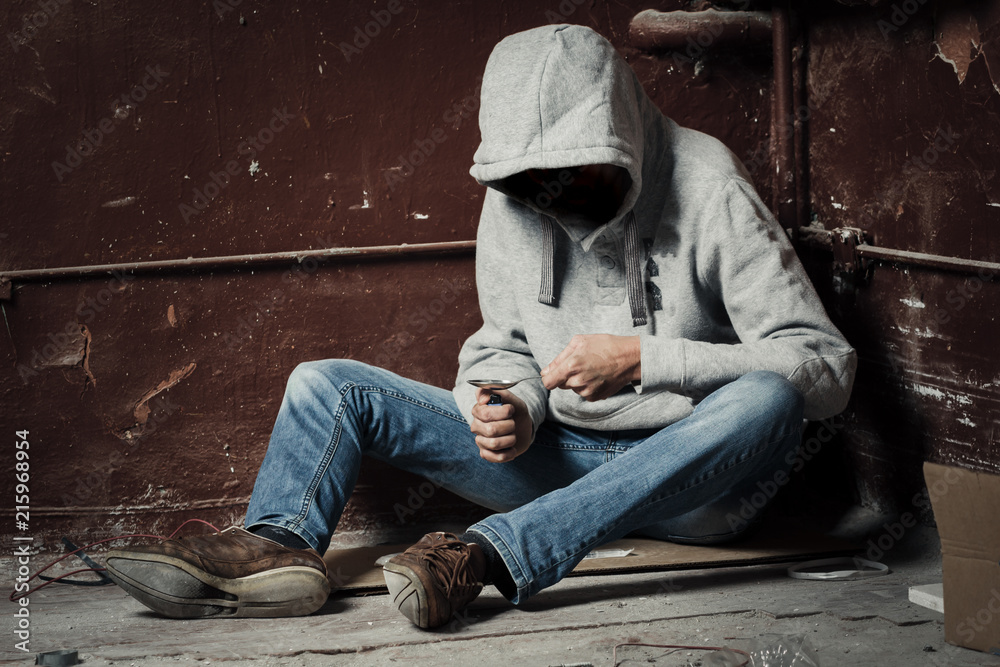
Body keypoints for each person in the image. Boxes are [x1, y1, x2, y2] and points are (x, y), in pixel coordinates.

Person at [104, 24, 856, 629]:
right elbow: (502, 343)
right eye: (534, 186)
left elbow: (825, 368)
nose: (554, 200)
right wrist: (512, 404)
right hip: (558, 457)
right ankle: (277, 543)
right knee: (326, 384)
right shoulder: (516, 197)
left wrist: (644, 359)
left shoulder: (710, 183)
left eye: (578, 176)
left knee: (770, 397)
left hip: (693, 483)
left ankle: (496, 554)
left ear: (619, 135)